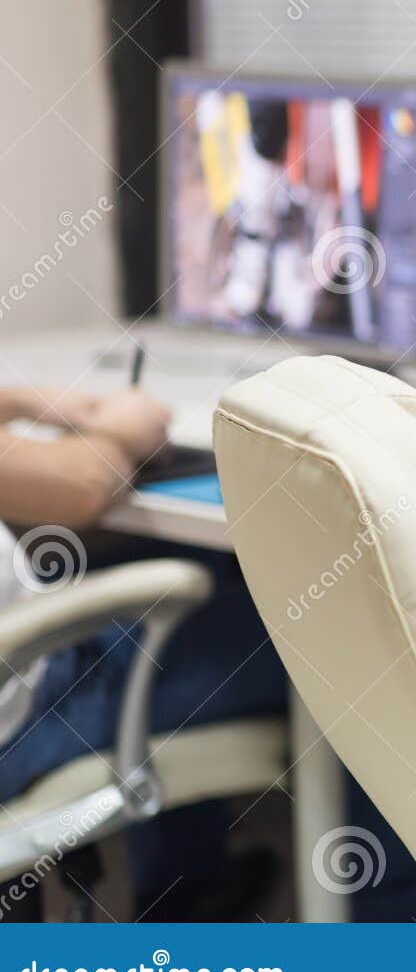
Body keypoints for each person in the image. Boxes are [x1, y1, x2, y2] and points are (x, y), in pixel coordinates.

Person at [0, 383, 287, 920]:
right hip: (33, 706)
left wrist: (29, 402)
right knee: (344, 635)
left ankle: (188, 890)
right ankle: (395, 928)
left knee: (202, 560)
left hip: (28, 648)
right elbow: (82, 487)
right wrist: (124, 431)